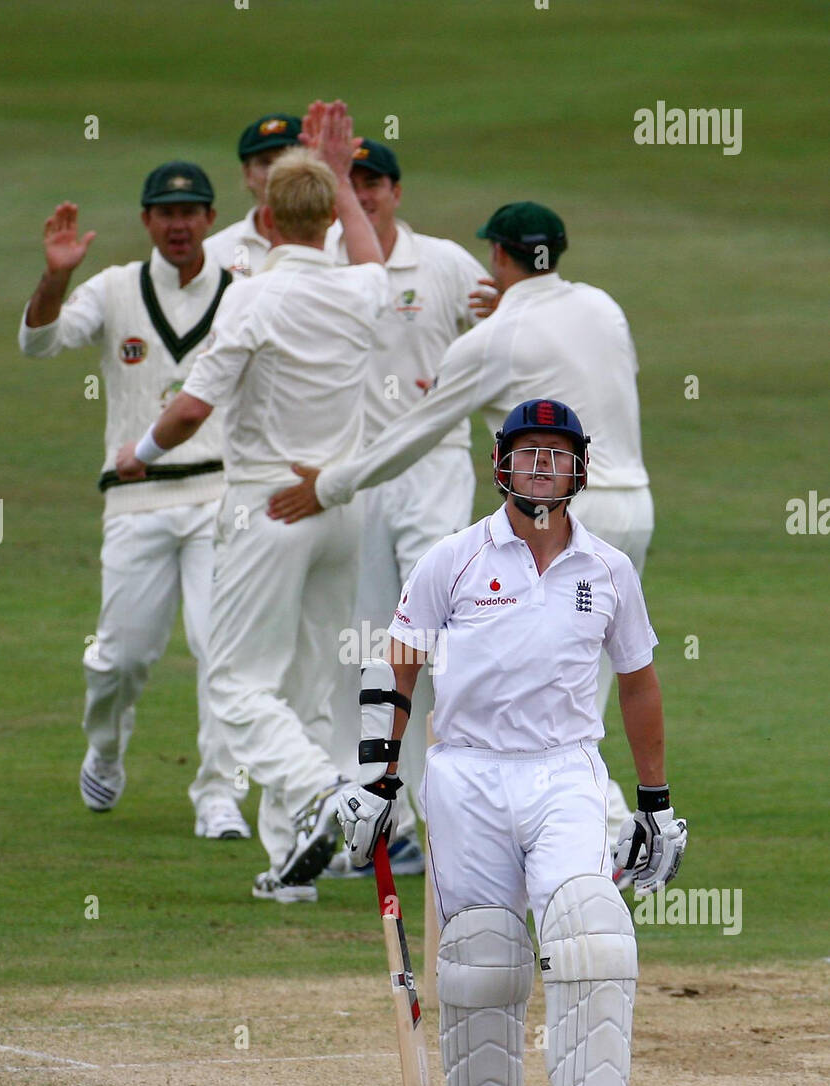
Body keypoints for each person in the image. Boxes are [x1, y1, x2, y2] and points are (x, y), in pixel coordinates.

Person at [336, 398, 686, 1086]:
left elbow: (637, 682)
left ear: (579, 468)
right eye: (529, 452)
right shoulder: (452, 559)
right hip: (468, 775)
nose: (543, 466)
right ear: (501, 464)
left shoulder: (606, 570)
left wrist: (656, 803)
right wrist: (375, 780)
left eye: (556, 454)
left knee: (595, 939)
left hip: (565, 771)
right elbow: (398, 666)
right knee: (484, 960)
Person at [267, 201, 653, 842]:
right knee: (584, 693)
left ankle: (595, 838)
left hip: (558, 513)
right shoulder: (603, 308)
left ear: (497, 257)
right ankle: (605, 838)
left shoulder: (490, 341)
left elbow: (416, 432)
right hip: (630, 505)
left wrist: (331, 485)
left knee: (536, 698)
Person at [116, 104, 391, 902]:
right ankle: (291, 868)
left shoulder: (252, 296)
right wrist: (340, 176)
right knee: (301, 687)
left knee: (236, 686)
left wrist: (142, 454)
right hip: (340, 511)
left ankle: (321, 792)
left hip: (268, 506)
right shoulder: (359, 289)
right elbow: (370, 253)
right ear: (330, 218)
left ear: (263, 219)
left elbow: (192, 409)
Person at [18, 163, 249, 838]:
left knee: (221, 652)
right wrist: (57, 274)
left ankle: (217, 796)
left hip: (219, 498)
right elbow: (38, 343)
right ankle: (106, 748)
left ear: (210, 218)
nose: (179, 224)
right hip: (136, 500)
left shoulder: (240, 293)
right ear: (146, 220)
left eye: (192, 211)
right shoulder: (116, 288)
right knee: (121, 658)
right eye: (165, 213)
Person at [320, 136, 495, 880]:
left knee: (431, 641)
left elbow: (505, 328)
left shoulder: (448, 263)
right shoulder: (325, 257)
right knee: (365, 645)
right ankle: (368, 817)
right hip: (359, 472)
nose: (362, 194)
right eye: (349, 182)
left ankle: (441, 816)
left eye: (373, 182)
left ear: (395, 190)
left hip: (434, 464)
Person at [203, 112, 302, 276]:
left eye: (286, 160)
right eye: (265, 162)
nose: (275, 172)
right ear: (248, 173)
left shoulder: (340, 239)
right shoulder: (214, 253)